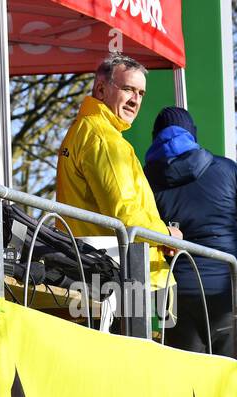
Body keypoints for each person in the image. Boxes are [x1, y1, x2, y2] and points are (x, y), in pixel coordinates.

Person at [143, 106, 237, 357]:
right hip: (227, 295)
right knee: (230, 383)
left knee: (183, 383)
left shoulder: (145, 180)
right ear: (192, 134)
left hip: (175, 297)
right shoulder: (227, 170)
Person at [56, 55, 180, 295]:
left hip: (94, 271)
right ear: (101, 89)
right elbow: (125, 215)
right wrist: (166, 235)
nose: (135, 100)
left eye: (141, 93)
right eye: (128, 89)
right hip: (117, 278)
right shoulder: (104, 138)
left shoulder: (85, 129)